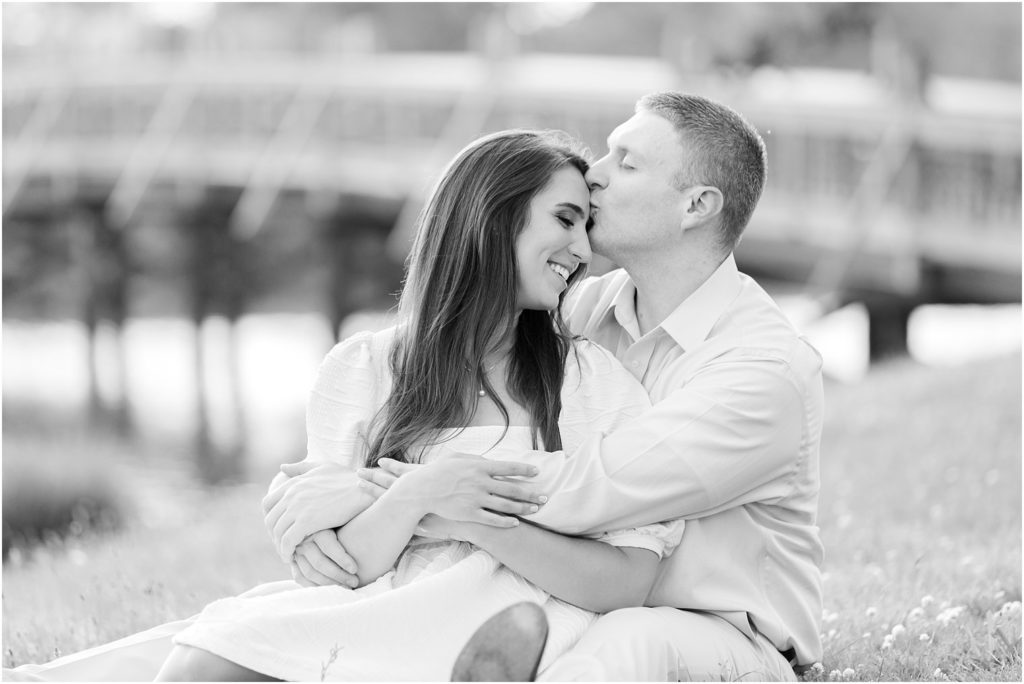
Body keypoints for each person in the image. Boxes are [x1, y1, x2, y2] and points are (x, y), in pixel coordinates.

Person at [5, 128, 687, 682]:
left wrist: (472, 522)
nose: (582, 250)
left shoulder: (592, 385)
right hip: (375, 609)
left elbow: (630, 579)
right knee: (200, 664)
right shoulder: (362, 370)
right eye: (565, 220)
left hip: (509, 621)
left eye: (586, 227)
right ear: (490, 215)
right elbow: (344, 566)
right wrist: (420, 492)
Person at [269, 91, 826, 681]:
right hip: (563, 603)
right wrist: (307, 502)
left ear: (697, 205)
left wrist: (383, 490)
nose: (596, 174)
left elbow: (593, 484)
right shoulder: (580, 312)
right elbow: (440, 375)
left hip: (720, 627)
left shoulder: (763, 370)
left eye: (627, 162)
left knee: (621, 649)